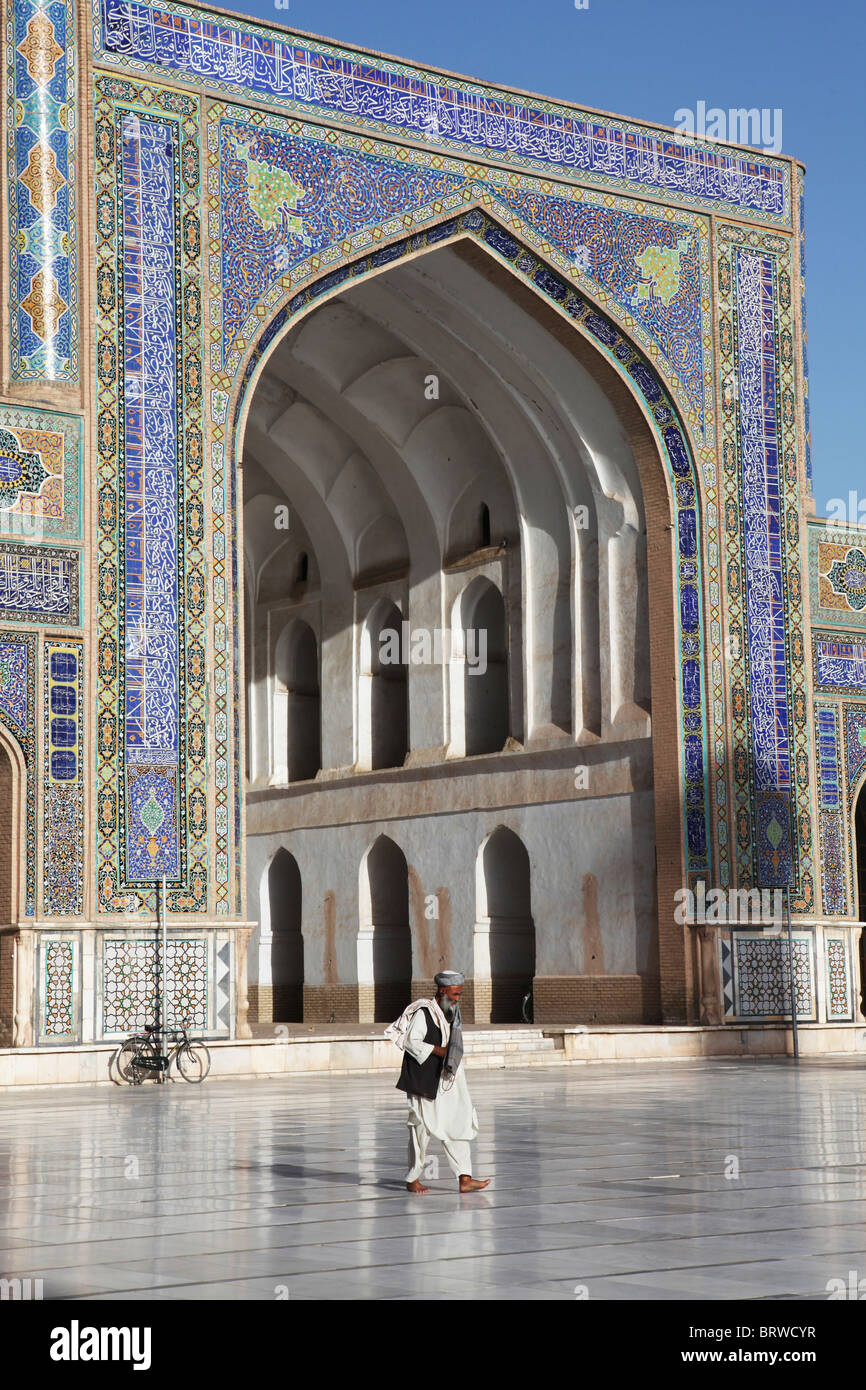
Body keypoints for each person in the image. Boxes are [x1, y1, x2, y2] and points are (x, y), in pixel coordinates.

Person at [385, 970, 491, 1194]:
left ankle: (465, 1177)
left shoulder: (451, 1012)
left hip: (447, 1079)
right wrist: (438, 1050)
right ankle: (413, 1179)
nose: (457, 999)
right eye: (454, 994)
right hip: (424, 1080)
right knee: (421, 1129)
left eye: (459, 994)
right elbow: (410, 1041)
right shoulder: (424, 1013)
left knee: (458, 1123)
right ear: (442, 991)